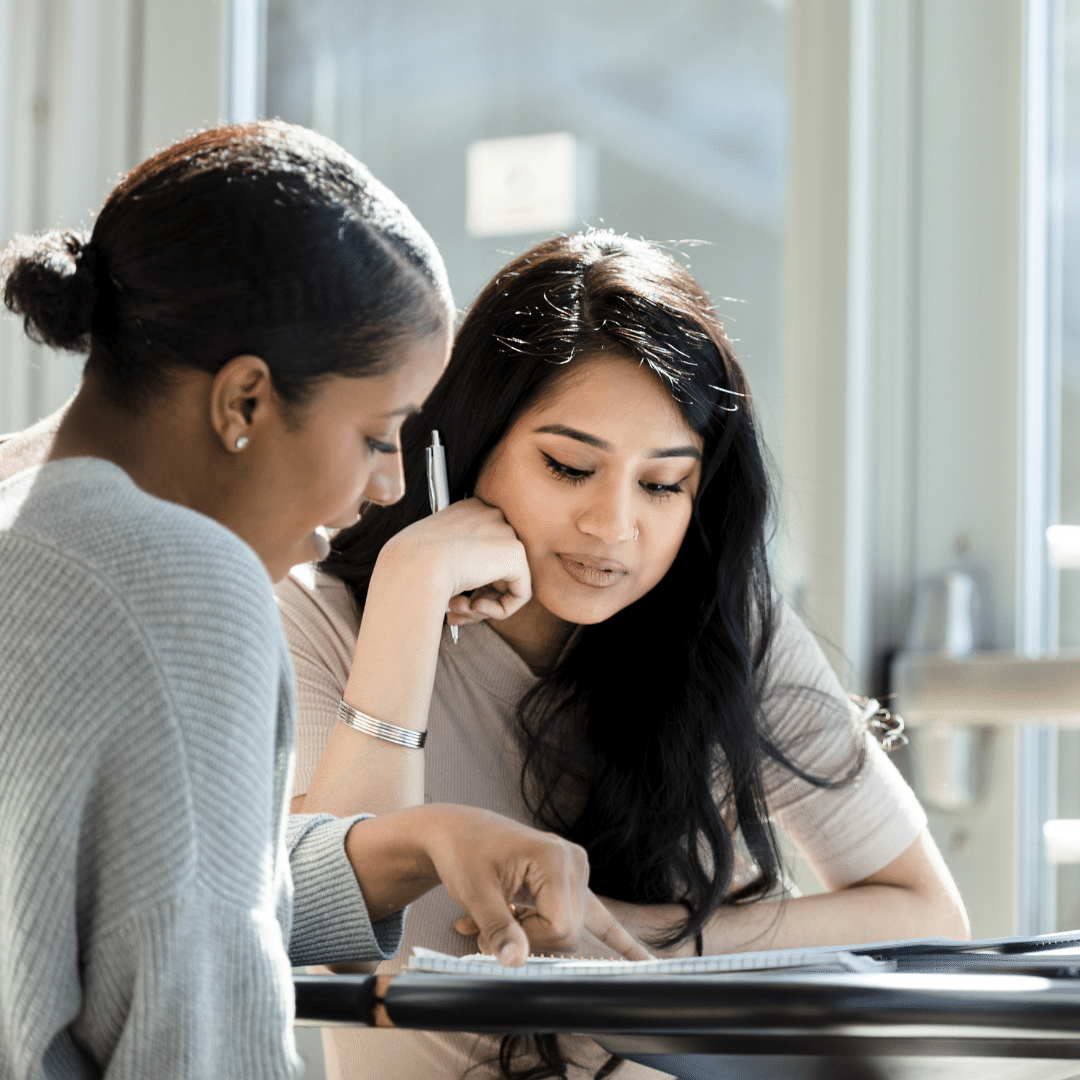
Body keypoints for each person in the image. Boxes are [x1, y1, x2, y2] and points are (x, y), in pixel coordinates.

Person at [0, 124, 645, 1080]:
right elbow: (198, 1044)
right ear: (246, 403)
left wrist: (414, 842)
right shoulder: (184, 584)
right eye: (381, 436)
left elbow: (111, 897)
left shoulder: (29, 516)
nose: (387, 489)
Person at [281, 231, 971, 1080]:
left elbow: (927, 914)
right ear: (470, 441)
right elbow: (338, 952)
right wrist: (410, 589)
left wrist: (627, 930)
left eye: (661, 485)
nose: (613, 528)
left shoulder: (724, 625)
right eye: (569, 467)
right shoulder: (327, 619)